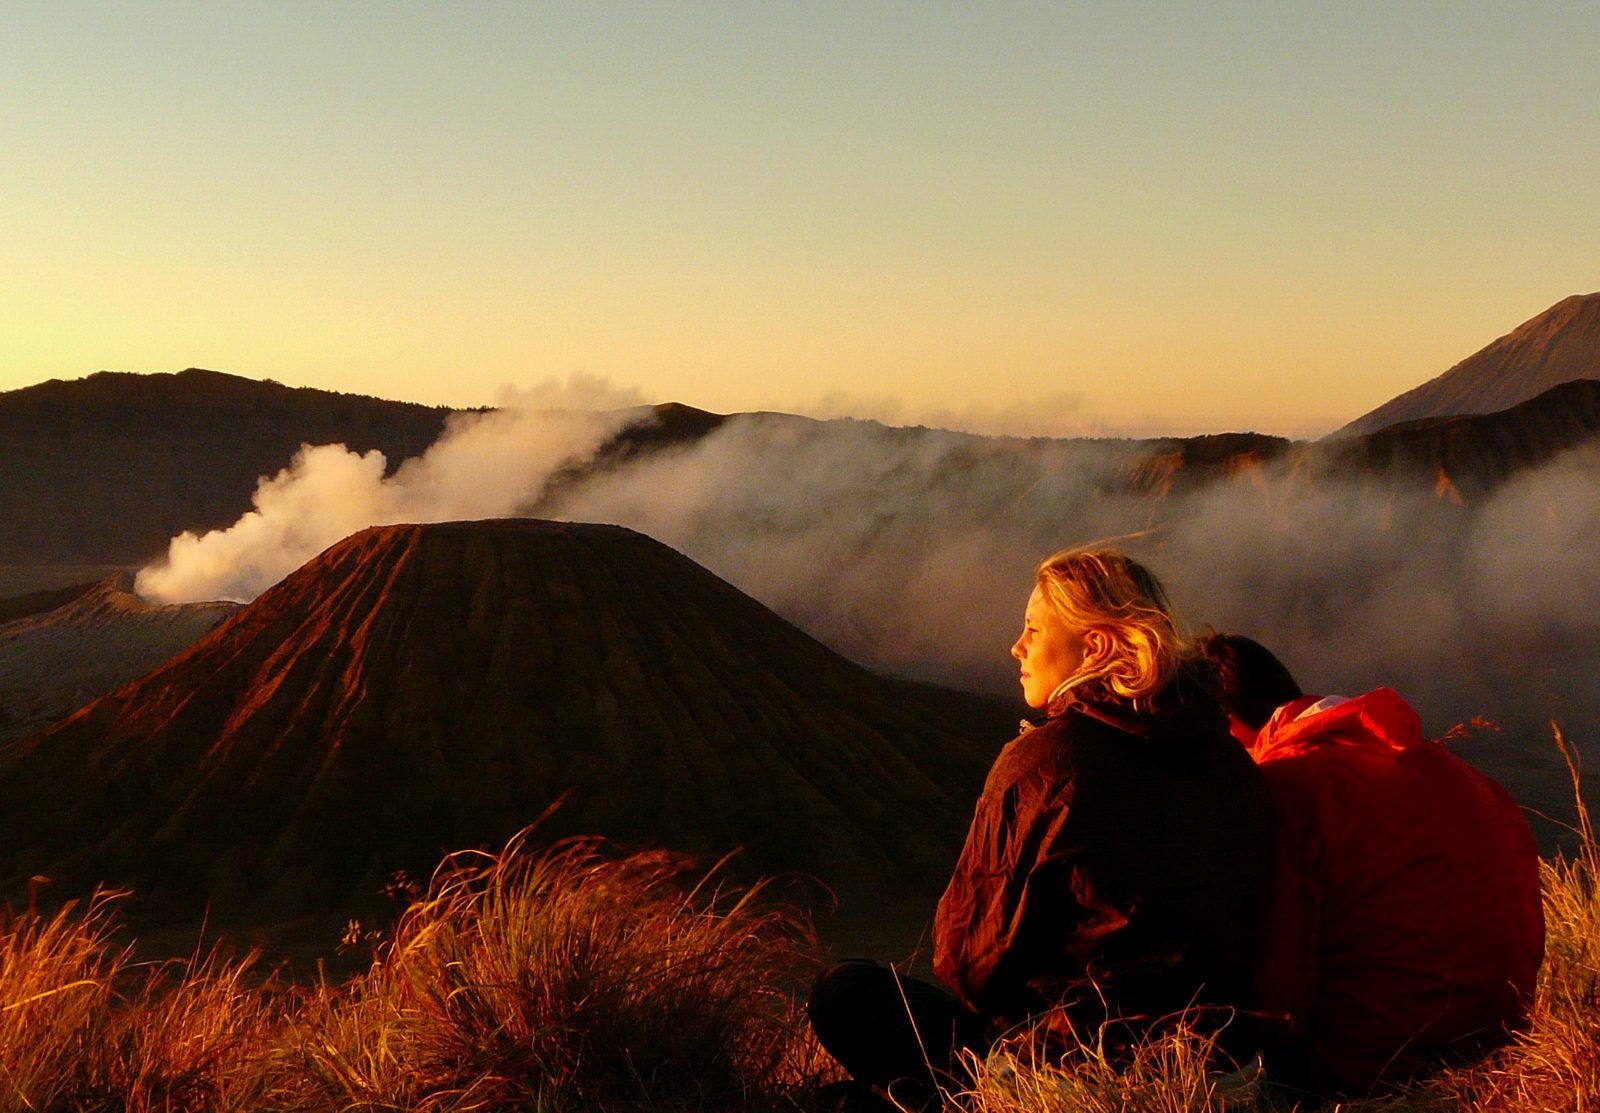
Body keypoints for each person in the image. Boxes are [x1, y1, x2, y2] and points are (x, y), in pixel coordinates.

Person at [807, 550, 1272, 1105]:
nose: (1017, 647)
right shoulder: (1233, 757)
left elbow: (970, 963)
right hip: (1230, 1068)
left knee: (846, 995)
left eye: (1033, 629)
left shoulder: (1046, 762)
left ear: (1094, 646)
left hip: (1087, 1073)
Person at [1199, 634, 1545, 1097]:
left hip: (1372, 1068)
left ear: (1224, 726)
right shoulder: (1450, 768)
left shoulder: (1288, 786)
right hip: (1499, 1039)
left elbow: (1279, 996)